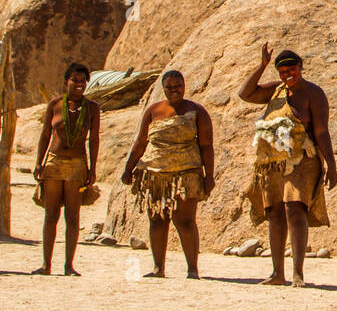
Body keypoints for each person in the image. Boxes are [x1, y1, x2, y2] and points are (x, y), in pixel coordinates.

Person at [240, 46, 337, 287]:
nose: (287, 75)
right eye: (282, 71)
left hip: (302, 160)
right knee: (274, 212)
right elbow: (245, 93)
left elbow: (321, 131)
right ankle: (277, 273)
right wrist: (262, 65)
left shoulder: (313, 94)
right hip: (272, 163)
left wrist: (331, 165)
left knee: (295, 209)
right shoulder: (275, 90)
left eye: (291, 69)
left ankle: (297, 273)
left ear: (300, 67)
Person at [120, 70, 214, 279]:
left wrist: (209, 174)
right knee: (157, 220)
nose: (174, 90)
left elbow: (206, 145)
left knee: (186, 221)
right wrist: (128, 168)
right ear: (164, 89)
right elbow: (141, 141)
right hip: (155, 174)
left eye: (177, 86)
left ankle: (192, 269)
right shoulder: (154, 111)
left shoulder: (197, 111)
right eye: (169, 87)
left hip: (186, 173)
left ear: (184, 85)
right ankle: (158, 268)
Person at [32, 62, 100, 276]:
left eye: (83, 81)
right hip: (54, 163)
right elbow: (45, 135)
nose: (79, 85)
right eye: (75, 80)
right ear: (66, 81)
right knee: (51, 214)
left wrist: (92, 168)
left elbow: (94, 139)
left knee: (73, 216)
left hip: (77, 164)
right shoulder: (54, 105)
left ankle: (69, 265)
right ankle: (46, 264)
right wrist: (38, 162)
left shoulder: (92, 108)